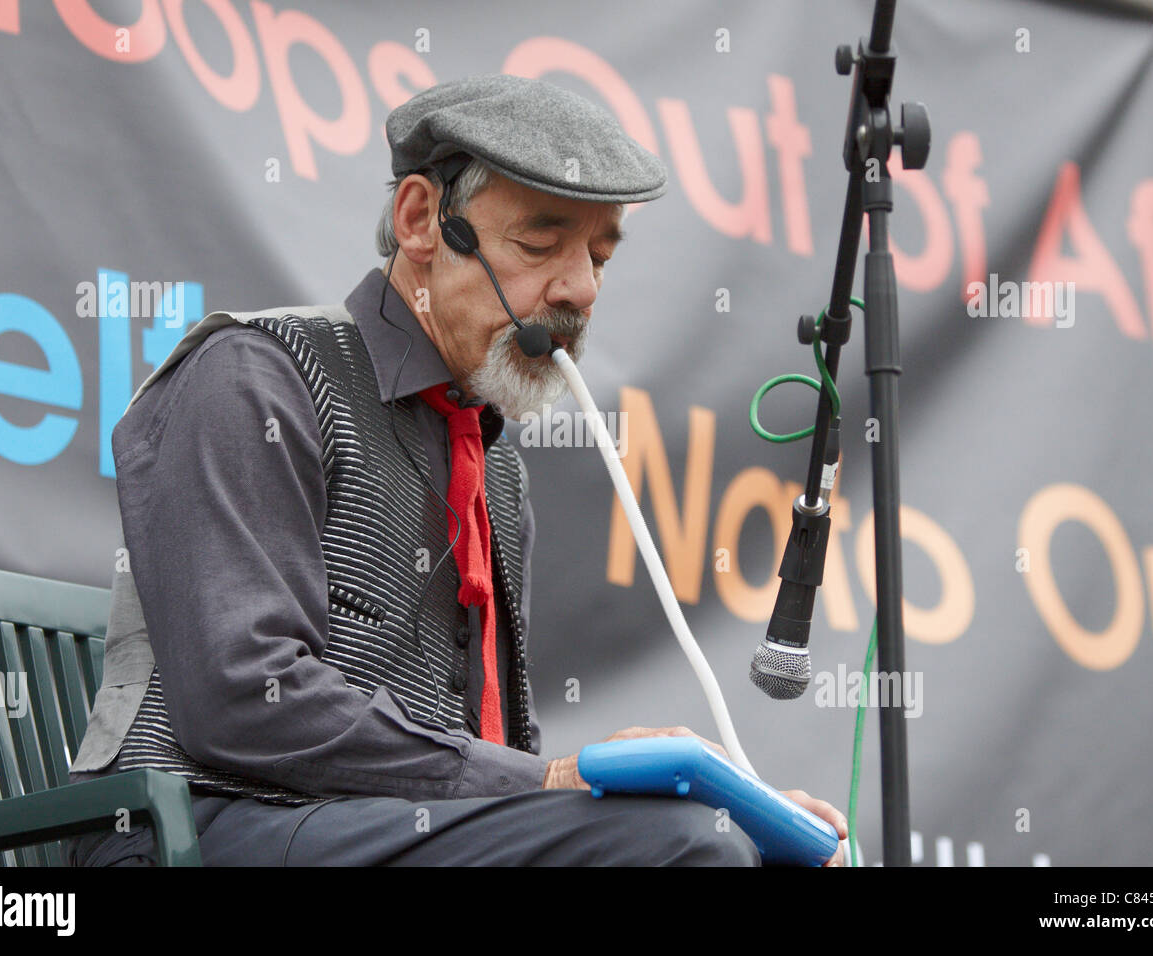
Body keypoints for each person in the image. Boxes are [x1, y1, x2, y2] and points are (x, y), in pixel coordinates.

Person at [65, 73, 847, 866]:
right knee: (682, 844)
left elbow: (490, 765)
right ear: (419, 221)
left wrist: (665, 789)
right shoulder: (257, 376)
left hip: (381, 837)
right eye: (541, 243)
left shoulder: (495, 466)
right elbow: (242, 701)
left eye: (600, 257)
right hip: (200, 833)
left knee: (734, 840)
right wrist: (551, 784)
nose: (579, 287)